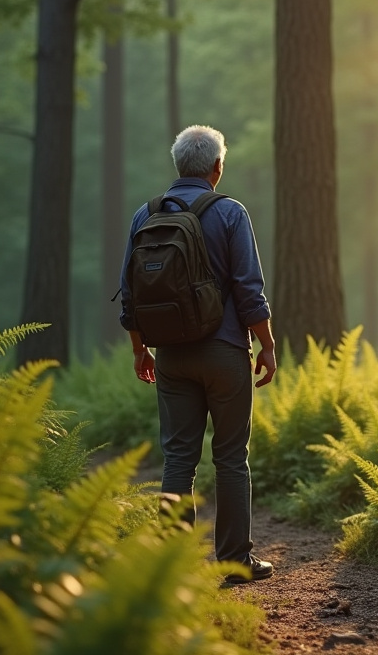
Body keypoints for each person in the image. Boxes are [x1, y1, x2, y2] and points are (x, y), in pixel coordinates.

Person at [117, 124, 276, 583]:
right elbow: (249, 289)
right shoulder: (230, 212)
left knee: (178, 458)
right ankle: (233, 563)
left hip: (170, 354)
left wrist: (139, 349)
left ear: (178, 166)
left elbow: (130, 293)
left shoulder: (144, 216)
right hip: (226, 351)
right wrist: (266, 343)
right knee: (230, 457)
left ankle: (171, 570)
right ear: (216, 168)